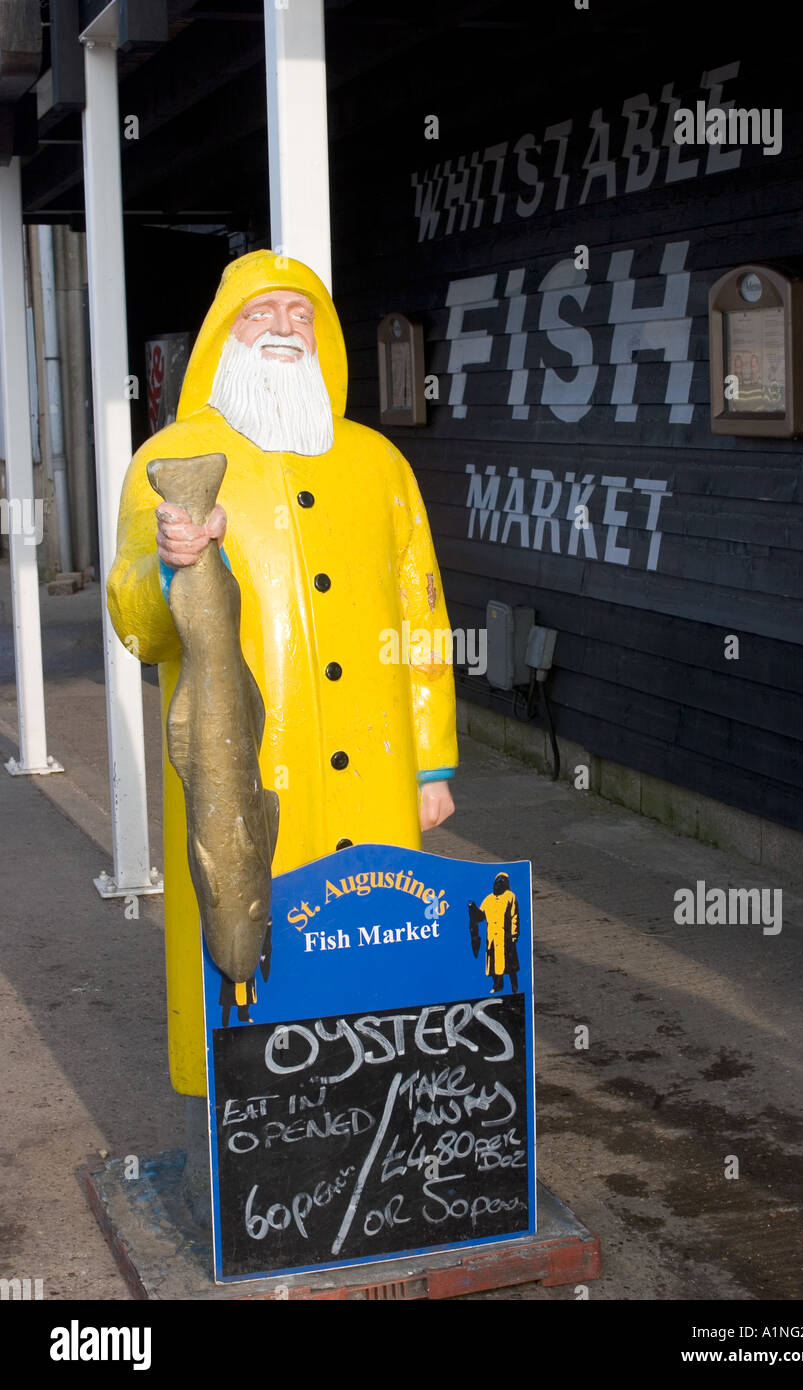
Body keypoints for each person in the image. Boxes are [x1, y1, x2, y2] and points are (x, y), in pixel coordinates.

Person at [107, 250, 458, 1097]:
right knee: (243, 938)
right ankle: (251, 1128)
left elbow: (422, 612)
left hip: (378, 770)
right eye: (259, 314)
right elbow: (135, 622)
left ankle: (375, 1114)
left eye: (300, 315)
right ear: (223, 337)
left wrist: (433, 758)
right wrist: (167, 565)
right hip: (243, 767)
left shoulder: (380, 463)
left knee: (375, 937)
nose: (281, 329)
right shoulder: (172, 458)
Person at [469, 872, 520, 994]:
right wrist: (473, 907)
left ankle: (515, 988)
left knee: (510, 965)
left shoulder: (510, 896)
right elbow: (481, 916)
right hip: (492, 937)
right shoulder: (488, 899)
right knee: (494, 964)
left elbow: (515, 916)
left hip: (506, 936)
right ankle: (497, 986)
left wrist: (514, 934)